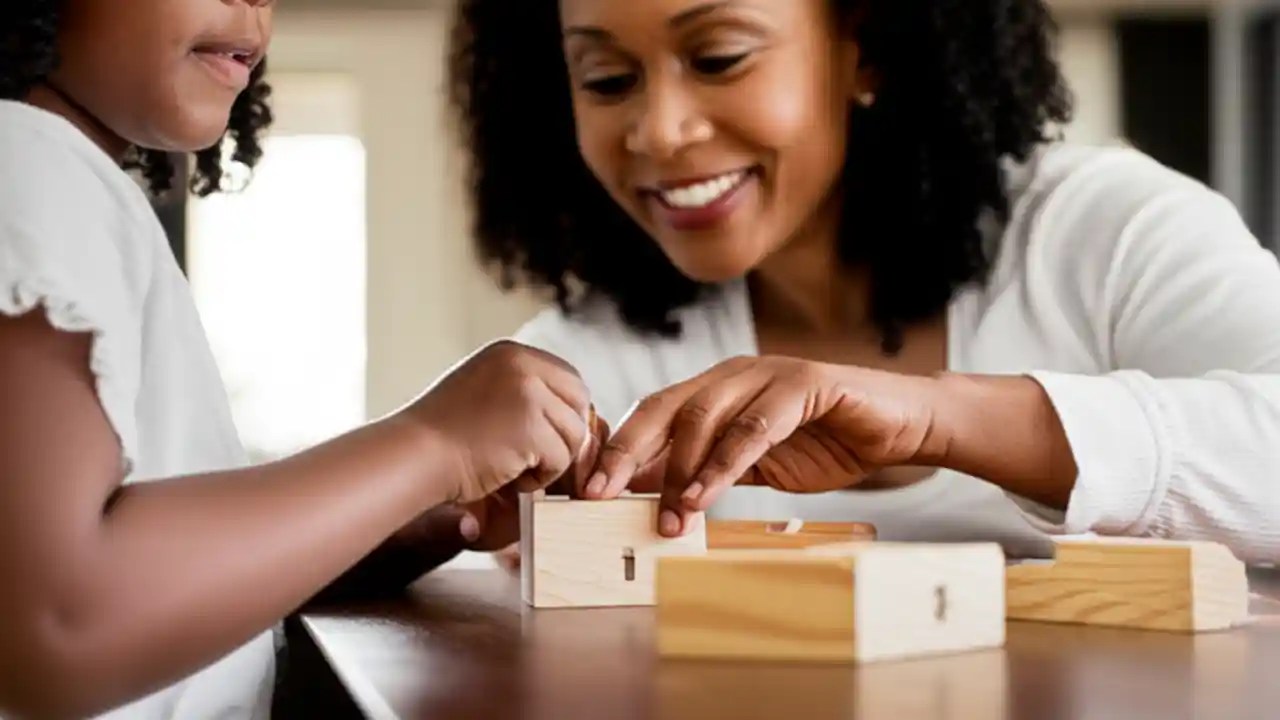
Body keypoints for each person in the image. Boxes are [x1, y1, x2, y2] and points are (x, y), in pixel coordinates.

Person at [448, 0, 1280, 565]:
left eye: (718, 58)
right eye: (606, 80)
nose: (659, 132)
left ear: (869, 48)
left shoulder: (1104, 229)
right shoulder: (594, 351)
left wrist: (932, 416)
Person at [0, 1, 599, 717]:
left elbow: (154, 583)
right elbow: (62, 624)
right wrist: (430, 444)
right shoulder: (31, 163)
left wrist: (422, 505)